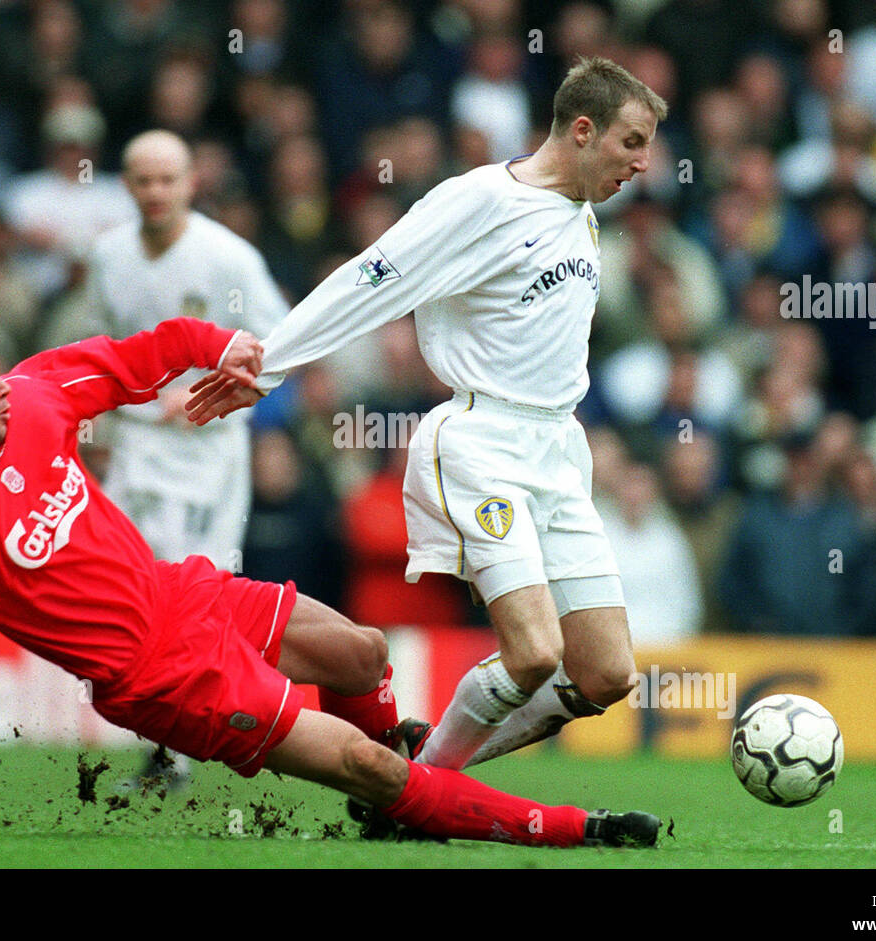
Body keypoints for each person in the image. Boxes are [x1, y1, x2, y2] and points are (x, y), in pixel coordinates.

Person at [0, 317, 660, 849]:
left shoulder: (36, 402)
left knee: (361, 651)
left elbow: (138, 353)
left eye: (0, 368)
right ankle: (574, 828)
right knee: (377, 768)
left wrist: (224, 343)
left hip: (185, 592)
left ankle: (400, 802)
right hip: (161, 676)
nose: (3, 382)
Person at [187, 57, 668, 773]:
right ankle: (409, 793)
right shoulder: (480, 201)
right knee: (534, 654)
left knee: (606, 675)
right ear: (583, 129)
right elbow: (371, 277)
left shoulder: (583, 214)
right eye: (632, 142)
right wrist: (273, 361)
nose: (644, 162)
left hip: (559, 451)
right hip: (483, 440)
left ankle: (423, 773)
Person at [85, 130, 289, 787]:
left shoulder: (228, 258)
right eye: (143, 180)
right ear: (126, 184)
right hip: (139, 450)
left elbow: (280, 344)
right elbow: (98, 342)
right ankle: (170, 744)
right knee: (130, 597)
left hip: (209, 453)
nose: (155, 193)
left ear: (191, 182)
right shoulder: (108, 255)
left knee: (194, 598)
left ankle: (198, 741)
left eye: (167, 180)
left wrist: (219, 391)